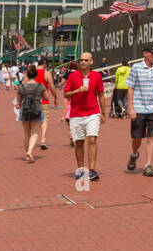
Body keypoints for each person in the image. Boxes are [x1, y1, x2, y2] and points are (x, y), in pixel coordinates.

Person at [126, 47, 153, 177]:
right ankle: (134, 154)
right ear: (145, 54)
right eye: (152, 53)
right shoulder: (136, 68)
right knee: (137, 137)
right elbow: (130, 88)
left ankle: (148, 165)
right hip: (139, 108)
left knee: (151, 136)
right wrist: (131, 107)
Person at [64, 53, 106, 181]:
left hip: (92, 112)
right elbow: (66, 94)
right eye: (81, 60)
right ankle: (81, 169)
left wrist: (103, 113)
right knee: (79, 142)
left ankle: (92, 169)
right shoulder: (73, 76)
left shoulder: (97, 76)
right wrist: (78, 91)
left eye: (86, 60)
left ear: (91, 62)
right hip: (76, 113)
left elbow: (101, 94)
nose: (83, 62)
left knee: (92, 140)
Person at [17, 65, 47, 163]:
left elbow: (18, 100)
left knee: (26, 133)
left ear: (28, 75)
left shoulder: (21, 86)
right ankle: (30, 151)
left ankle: (27, 154)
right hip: (37, 109)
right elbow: (46, 98)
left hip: (25, 109)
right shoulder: (40, 86)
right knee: (35, 133)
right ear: (36, 75)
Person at [34, 60, 59, 150]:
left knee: (33, 120)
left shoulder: (31, 72)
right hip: (43, 100)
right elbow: (52, 87)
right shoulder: (46, 73)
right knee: (44, 120)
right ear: (44, 64)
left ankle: (31, 139)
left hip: (32, 100)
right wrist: (55, 97)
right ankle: (43, 140)